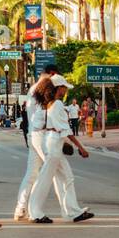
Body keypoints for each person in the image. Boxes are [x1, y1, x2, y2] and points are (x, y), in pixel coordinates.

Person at [28, 75, 94, 224]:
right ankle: (35, 213)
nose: (65, 90)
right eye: (64, 87)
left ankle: (73, 212)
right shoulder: (56, 104)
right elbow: (67, 131)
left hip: (53, 143)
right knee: (45, 180)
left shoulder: (50, 104)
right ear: (58, 89)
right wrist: (81, 148)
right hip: (53, 145)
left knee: (67, 178)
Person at [14, 64, 62, 221]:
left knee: (32, 173)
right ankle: (64, 209)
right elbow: (47, 113)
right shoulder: (42, 89)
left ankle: (21, 208)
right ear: (52, 74)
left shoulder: (33, 88)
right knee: (53, 171)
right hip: (42, 134)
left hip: (34, 134)